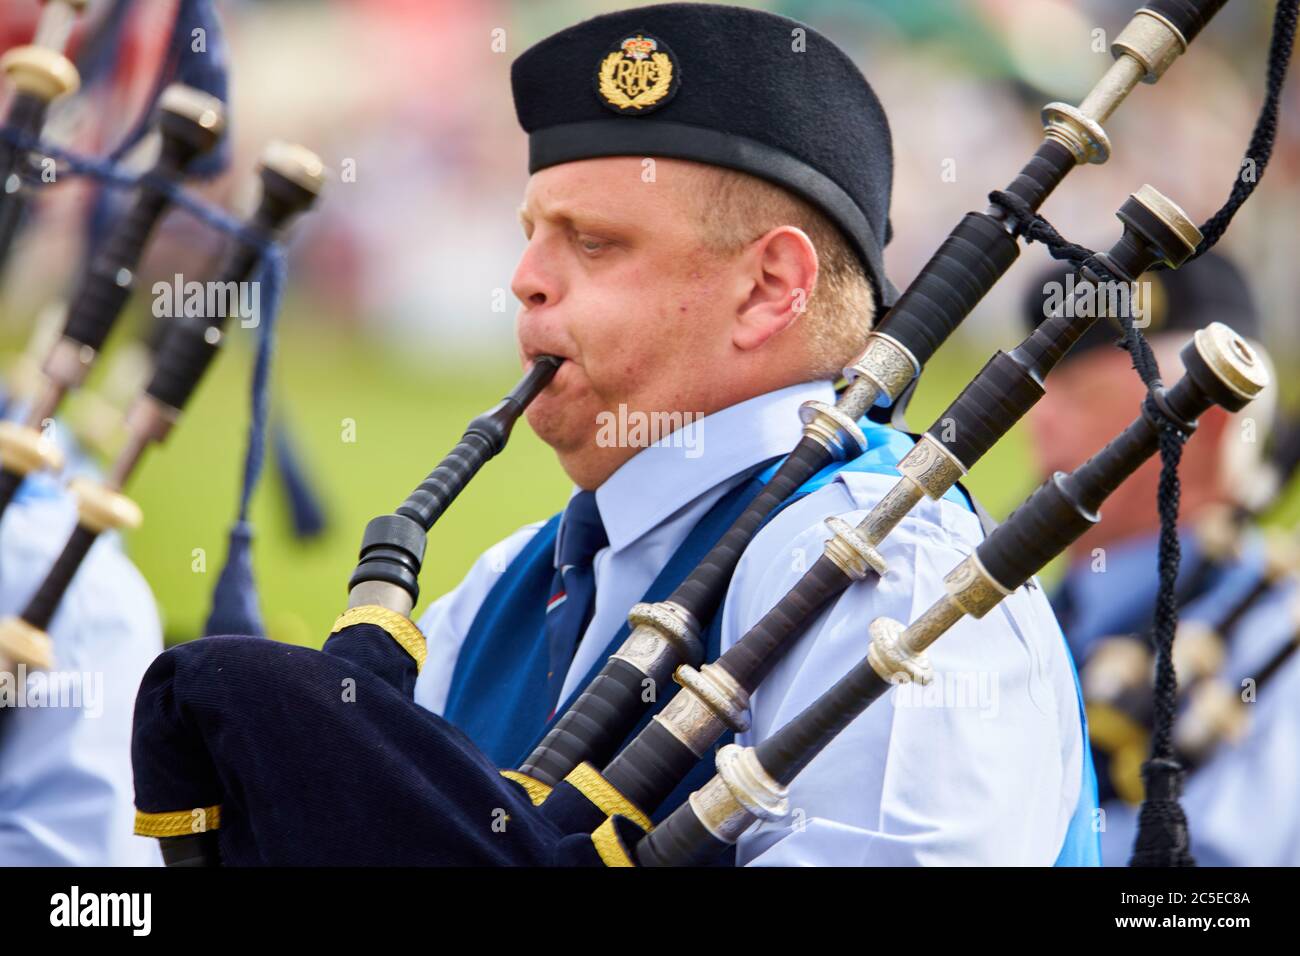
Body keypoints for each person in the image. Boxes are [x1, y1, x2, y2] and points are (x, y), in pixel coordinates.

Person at [411, 2, 1096, 866]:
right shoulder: (494, 592)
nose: (525, 282)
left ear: (770, 288)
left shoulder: (896, 578)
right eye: (531, 236)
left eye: (593, 242)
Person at [1024, 250, 1299, 865]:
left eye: (1083, 395)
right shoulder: (1031, 618)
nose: (1039, 424)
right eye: (1042, 394)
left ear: (1218, 424)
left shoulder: (1278, 642)